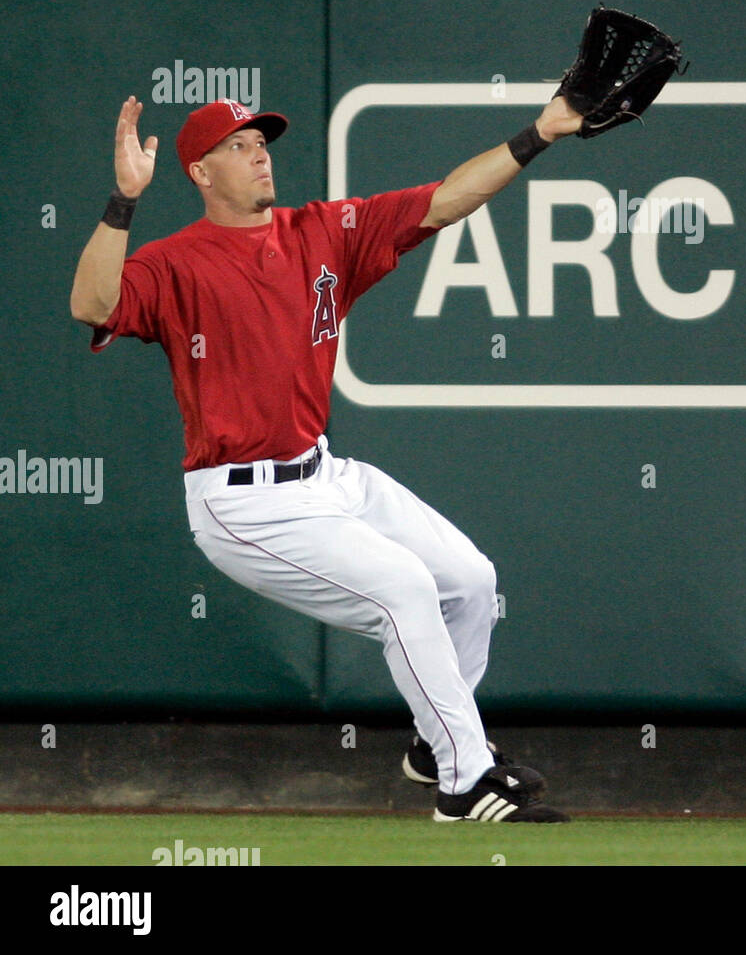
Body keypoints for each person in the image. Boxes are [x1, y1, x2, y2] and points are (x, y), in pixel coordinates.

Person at [70, 93, 584, 823]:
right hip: (243, 501)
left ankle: (435, 743)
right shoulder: (175, 263)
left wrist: (539, 134)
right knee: (405, 588)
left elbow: (445, 199)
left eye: (261, 140)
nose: (259, 152)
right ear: (200, 170)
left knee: (470, 580)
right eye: (239, 144)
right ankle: (465, 782)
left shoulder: (323, 230)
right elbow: (92, 305)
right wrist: (123, 201)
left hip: (327, 475)